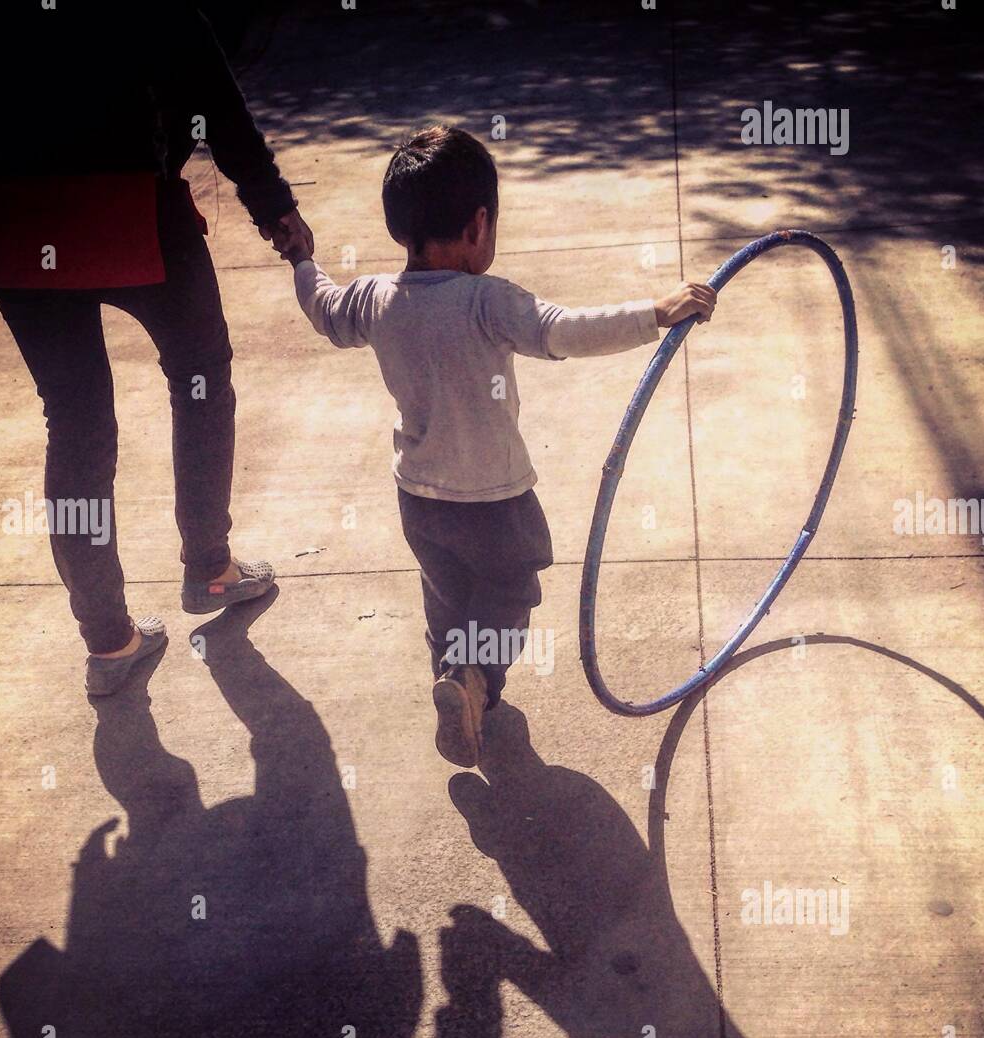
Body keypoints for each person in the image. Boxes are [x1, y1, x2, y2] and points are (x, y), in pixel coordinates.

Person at [277, 125, 714, 766]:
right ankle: (472, 681)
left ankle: (458, 687)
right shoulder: (488, 301)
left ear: (401, 226)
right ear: (480, 225)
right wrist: (656, 312)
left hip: (419, 500)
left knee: (447, 596)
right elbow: (567, 331)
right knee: (509, 592)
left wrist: (301, 258)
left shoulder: (375, 299)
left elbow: (322, 307)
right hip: (496, 500)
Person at [0, 4, 313, 695]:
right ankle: (210, 566)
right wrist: (274, 206)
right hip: (134, 206)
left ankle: (108, 643)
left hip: (12, 220)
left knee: (74, 417)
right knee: (201, 375)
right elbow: (215, 101)